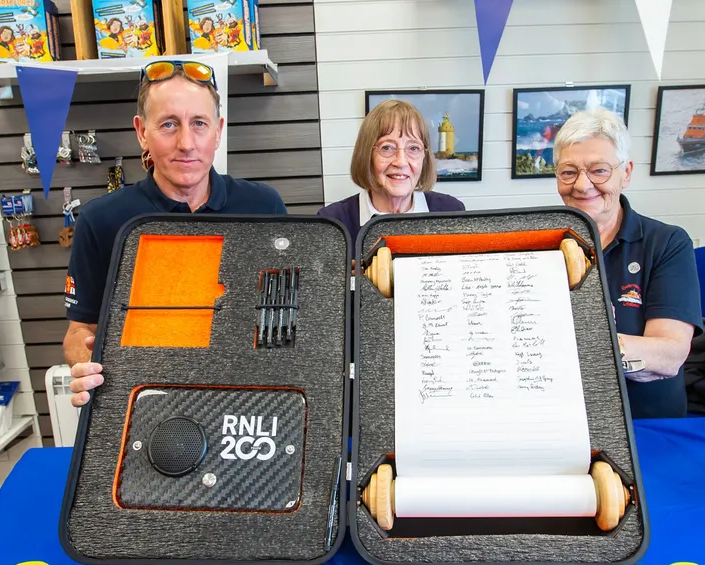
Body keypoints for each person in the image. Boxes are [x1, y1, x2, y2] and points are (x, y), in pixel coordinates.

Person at [64, 60, 287, 407]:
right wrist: (84, 364)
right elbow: (80, 330)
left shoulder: (264, 206)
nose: (186, 142)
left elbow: (285, 315)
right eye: (169, 124)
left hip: (246, 401)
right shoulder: (100, 219)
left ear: (218, 130)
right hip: (147, 404)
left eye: (199, 123)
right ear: (142, 132)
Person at [552, 108, 702, 419]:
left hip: (647, 424)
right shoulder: (538, 244)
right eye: (568, 172)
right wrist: (628, 352)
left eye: (599, 170)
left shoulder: (667, 243)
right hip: (564, 420)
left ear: (627, 173)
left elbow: (669, 355)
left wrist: (570, 344)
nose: (582, 185)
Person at [317, 99, 465, 247]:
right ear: (366, 154)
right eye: (387, 147)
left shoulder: (451, 211)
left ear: (424, 156)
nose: (401, 162)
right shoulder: (331, 223)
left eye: (413, 148)